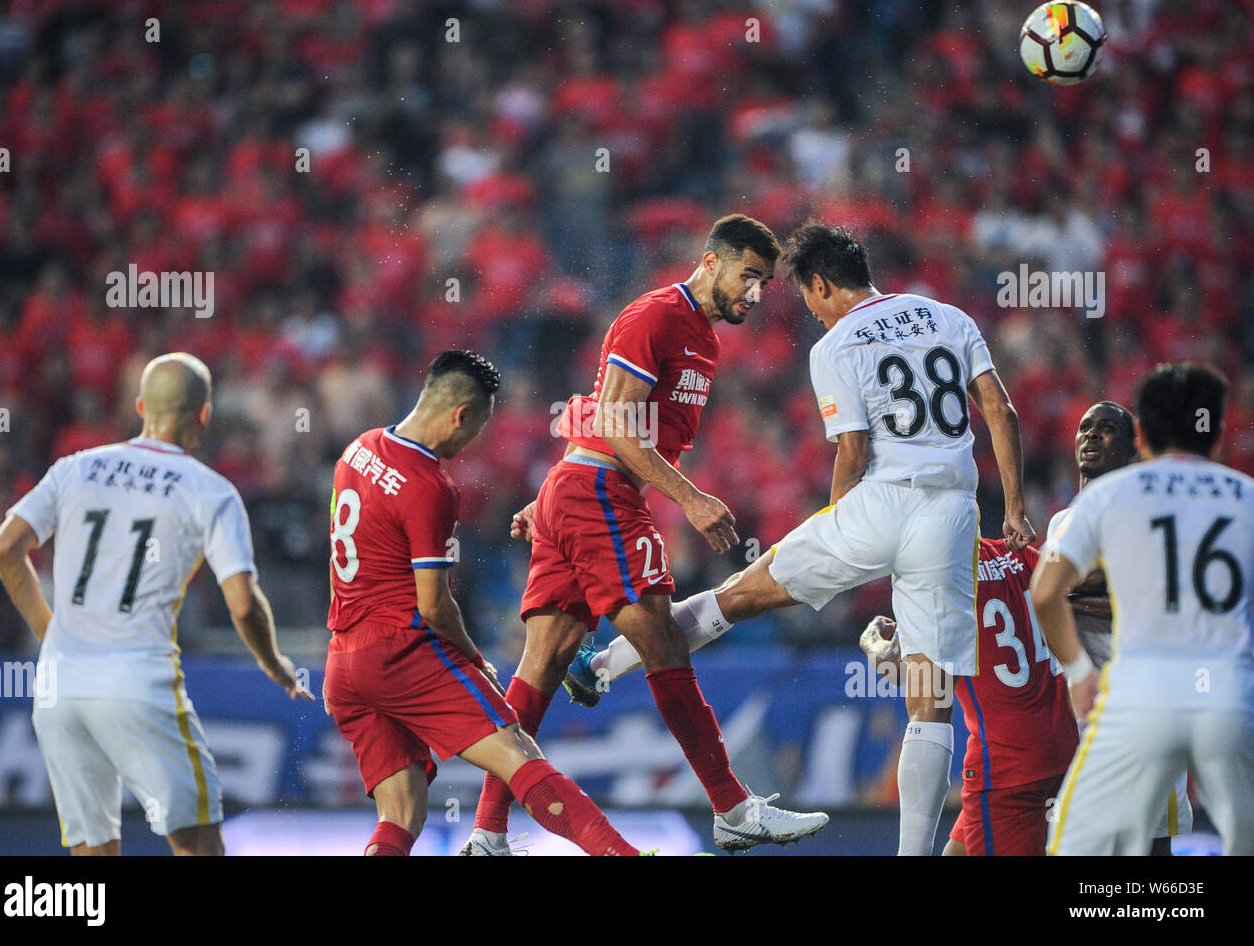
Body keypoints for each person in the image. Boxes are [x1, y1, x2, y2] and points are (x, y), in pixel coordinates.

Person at [570, 222, 1036, 855]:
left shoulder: (836, 344)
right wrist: (1012, 507)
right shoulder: (947, 316)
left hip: (876, 503)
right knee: (931, 705)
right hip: (952, 513)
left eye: (805, 298)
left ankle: (601, 666)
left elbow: (854, 448)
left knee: (740, 596)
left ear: (820, 284)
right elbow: (1000, 412)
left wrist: (838, 525)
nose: (810, 314)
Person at [461, 215, 830, 855]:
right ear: (711, 261)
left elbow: (604, 425)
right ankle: (733, 808)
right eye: (748, 276)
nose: (755, 293)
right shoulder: (654, 316)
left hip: (582, 488)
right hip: (601, 494)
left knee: (543, 662)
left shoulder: (706, 343)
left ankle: (488, 834)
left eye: (765, 283)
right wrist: (690, 498)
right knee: (660, 641)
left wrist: (549, 493)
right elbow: (615, 421)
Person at [0, 352, 311, 856]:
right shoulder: (211, 491)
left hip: (59, 684)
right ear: (204, 414)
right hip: (136, 679)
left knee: (93, 851)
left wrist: (49, 631)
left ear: (140, 406)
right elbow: (244, 605)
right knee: (199, 844)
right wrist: (275, 665)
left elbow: (5, 548)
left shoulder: (75, 467)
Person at [322, 350, 639, 856]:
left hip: (342, 660)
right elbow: (434, 605)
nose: (472, 443)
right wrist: (474, 658)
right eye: (477, 429)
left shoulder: (357, 449)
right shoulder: (430, 487)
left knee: (402, 810)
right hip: (399, 652)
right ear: (461, 415)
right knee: (517, 752)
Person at [1034, 362, 1254, 856]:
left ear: (1144, 439)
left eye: (1109, 428)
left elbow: (1045, 593)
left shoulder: (1111, 499)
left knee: (1079, 843)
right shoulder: (1245, 497)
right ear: (1215, 434)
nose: (1092, 436)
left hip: (1133, 698)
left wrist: (1078, 665)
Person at [859, 535, 1079, 856]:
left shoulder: (938, 576)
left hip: (1005, 769)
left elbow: (919, 679)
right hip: (1063, 744)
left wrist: (874, 648)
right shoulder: (1015, 551)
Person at [1045, 400, 1193, 853]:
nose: (1091, 435)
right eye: (1086, 427)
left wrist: (1065, 592)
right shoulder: (1060, 520)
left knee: (1153, 838)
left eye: (1107, 429)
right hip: (1084, 710)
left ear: (1132, 449)